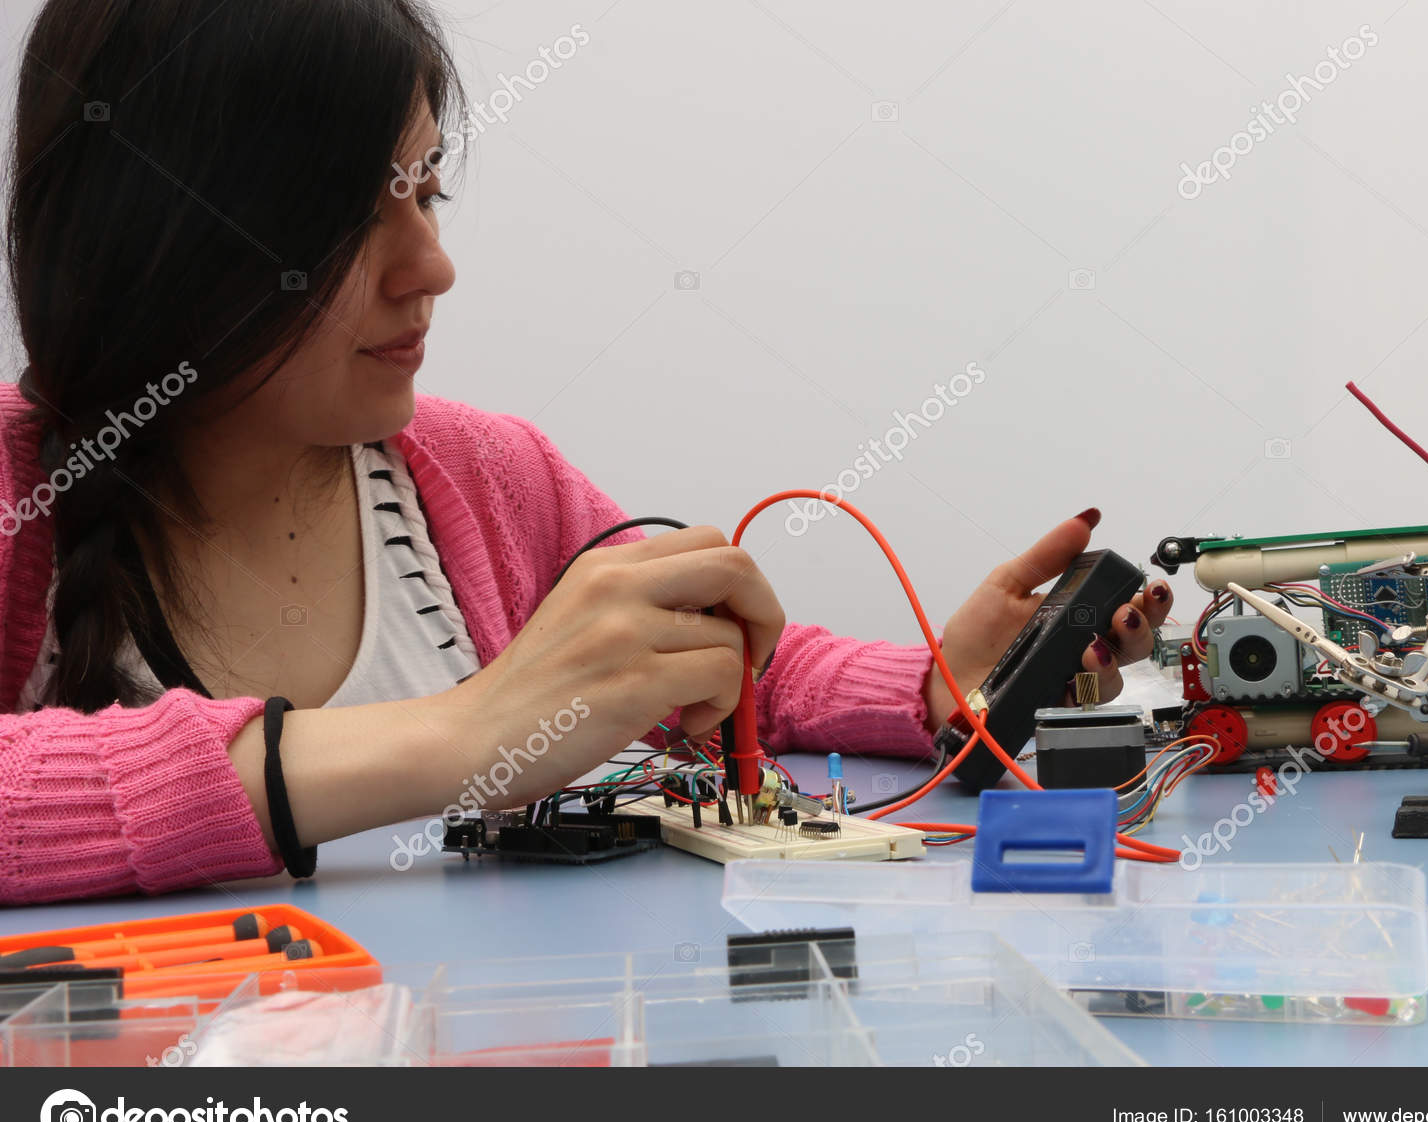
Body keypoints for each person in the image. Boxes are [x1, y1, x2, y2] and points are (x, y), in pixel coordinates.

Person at [0, 0, 1170, 905]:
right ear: (160, 234)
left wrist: (930, 682)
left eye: (429, 189)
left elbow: (700, 673)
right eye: (359, 212)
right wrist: (457, 736)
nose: (432, 265)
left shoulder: (483, 476)